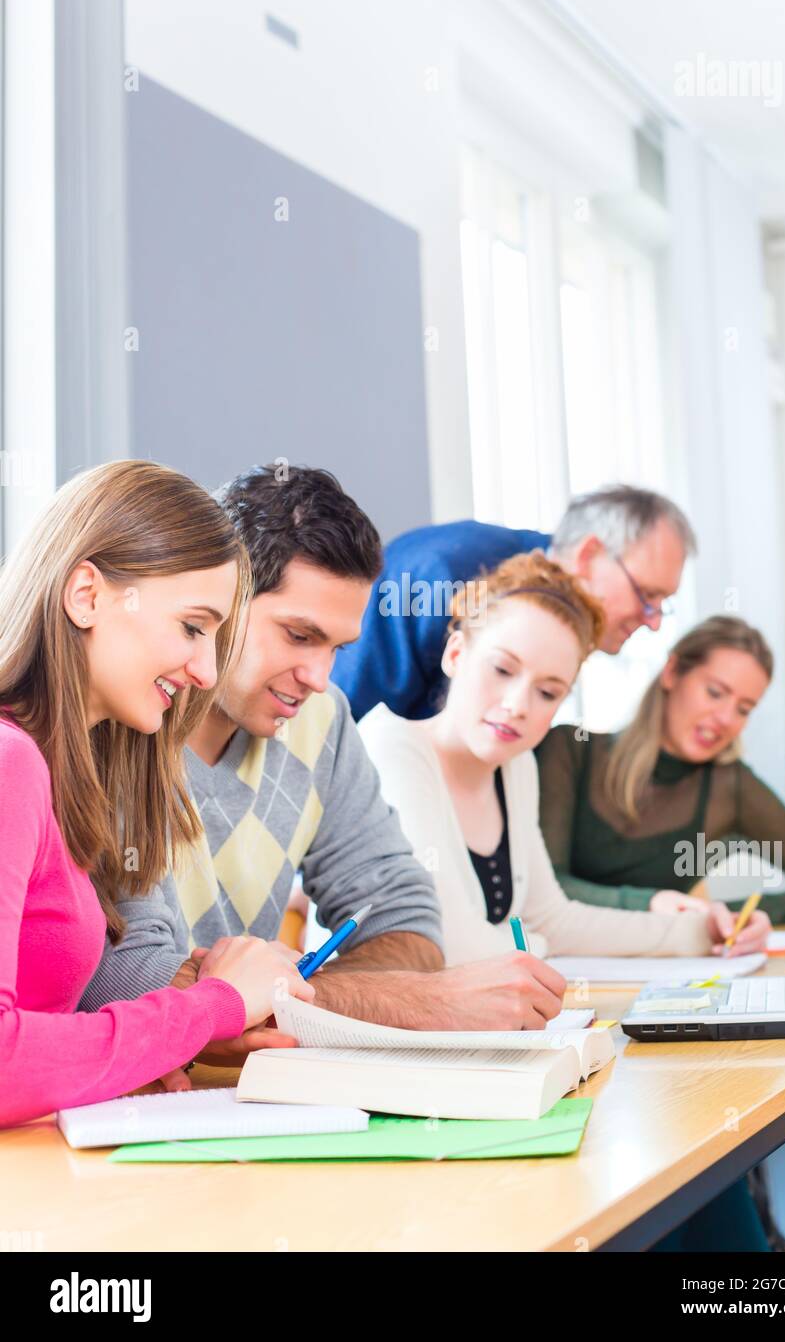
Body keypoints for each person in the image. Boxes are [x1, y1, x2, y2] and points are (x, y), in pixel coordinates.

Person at [83, 465, 568, 1049]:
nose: (319, 677)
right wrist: (420, 1002)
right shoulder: (118, 721)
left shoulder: (322, 718)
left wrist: (283, 1000)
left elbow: (404, 916)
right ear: (222, 600)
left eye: (337, 647)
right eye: (298, 635)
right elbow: (130, 981)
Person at [0, 460, 314, 1130]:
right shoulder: (7, 763)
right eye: (193, 627)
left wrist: (166, 1037)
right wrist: (213, 1005)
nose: (204, 671)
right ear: (86, 595)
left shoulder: (67, 778)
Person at [357, 553, 769, 964]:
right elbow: (453, 942)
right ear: (456, 654)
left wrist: (704, 932)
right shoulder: (392, 747)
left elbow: (552, 919)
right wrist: (535, 944)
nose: (518, 704)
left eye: (548, 692)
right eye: (502, 669)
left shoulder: (516, 767)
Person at [536, 615, 785, 923]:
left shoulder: (731, 786)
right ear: (672, 672)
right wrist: (649, 904)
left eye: (744, 709)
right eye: (715, 693)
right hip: (558, 964)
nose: (726, 719)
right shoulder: (569, 749)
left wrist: (728, 916)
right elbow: (543, 891)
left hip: (657, 968)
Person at [332, 484, 695, 721]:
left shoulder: (567, 623)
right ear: (587, 555)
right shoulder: (439, 573)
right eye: (646, 595)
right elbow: (337, 722)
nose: (654, 622)